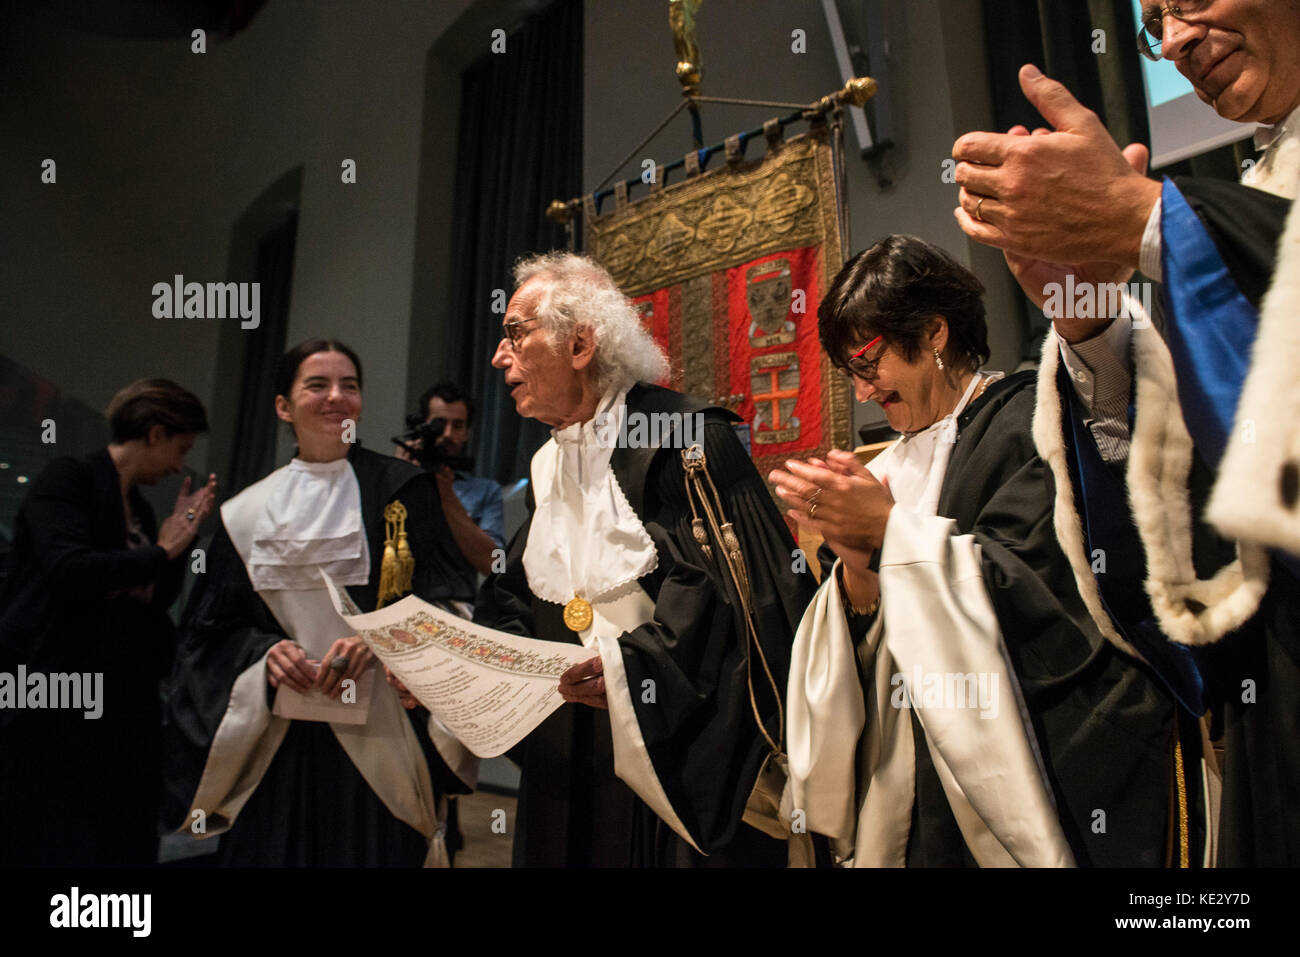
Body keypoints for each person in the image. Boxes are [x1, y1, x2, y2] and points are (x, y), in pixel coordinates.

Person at [950, 1, 1300, 865]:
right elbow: (1221, 479)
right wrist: (1089, 318)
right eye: (1155, 24)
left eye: (1190, 2)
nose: (1175, 42)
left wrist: (1146, 224)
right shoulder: (1264, 187)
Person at [770, 236, 1180, 867]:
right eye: (849, 373)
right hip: (916, 770)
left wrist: (890, 536)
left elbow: (1043, 587)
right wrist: (854, 561)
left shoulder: (1029, 420)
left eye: (867, 363)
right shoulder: (884, 465)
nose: (862, 393)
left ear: (934, 332)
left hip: (1026, 751)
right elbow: (865, 632)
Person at [421, 251, 816, 867]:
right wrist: (456, 670)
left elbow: (744, 604)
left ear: (580, 345)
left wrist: (635, 669)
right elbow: (520, 599)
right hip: (568, 756)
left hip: (669, 757)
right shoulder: (550, 460)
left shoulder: (686, 438)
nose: (500, 357)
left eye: (516, 334)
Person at [162, 339, 476, 867]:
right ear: (284, 406)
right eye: (317, 385)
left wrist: (381, 644)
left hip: (381, 735)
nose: (337, 397)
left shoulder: (403, 489)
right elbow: (208, 635)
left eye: (349, 386)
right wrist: (263, 656)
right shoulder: (247, 513)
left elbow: (449, 604)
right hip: (273, 746)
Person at [0, 378, 216, 866]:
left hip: (120, 705)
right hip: (57, 698)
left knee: (116, 833)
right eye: (179, 448)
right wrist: (160, 550)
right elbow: (70, 571)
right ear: (155, 433)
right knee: (53, 833)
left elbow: (154, 597)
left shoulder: (138, 506)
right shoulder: (69, 479)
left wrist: (175, 544)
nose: (180, 464)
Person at [395, 382, 505, 599]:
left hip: (456, 605)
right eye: (439, 423)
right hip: (395, 600)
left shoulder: (485, 491)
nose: (447, 434)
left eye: (457, 426)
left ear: (466, 433)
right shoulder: (398, 474)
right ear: (423, 426)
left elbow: (496, 563)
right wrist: (397, 476)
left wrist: (447, 496)